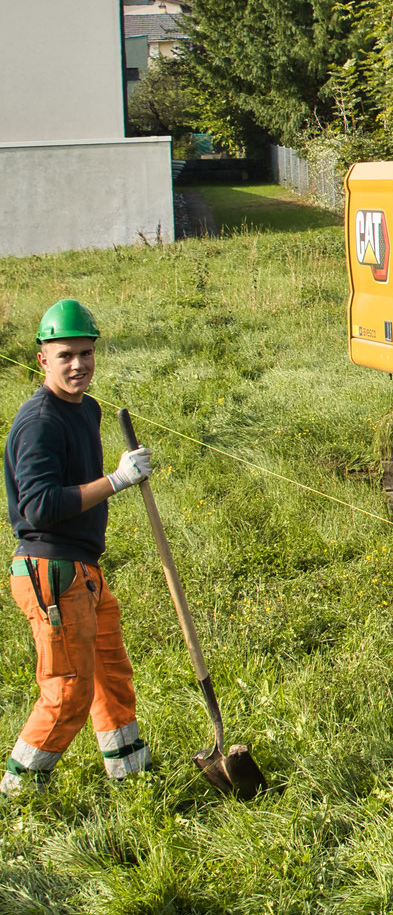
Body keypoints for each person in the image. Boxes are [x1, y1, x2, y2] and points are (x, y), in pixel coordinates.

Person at [2, 300, 154, 794]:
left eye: (86, 353)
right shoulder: (39, 422)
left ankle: (130, 773)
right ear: (42, 358)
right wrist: (116, 480)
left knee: (111, 673)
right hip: (52, 570)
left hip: (85, 570)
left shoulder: (86, 409)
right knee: (68, 690)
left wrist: (118, 470)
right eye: (65, 354)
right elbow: (41, 507)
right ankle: (17, 791)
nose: (78, 365)